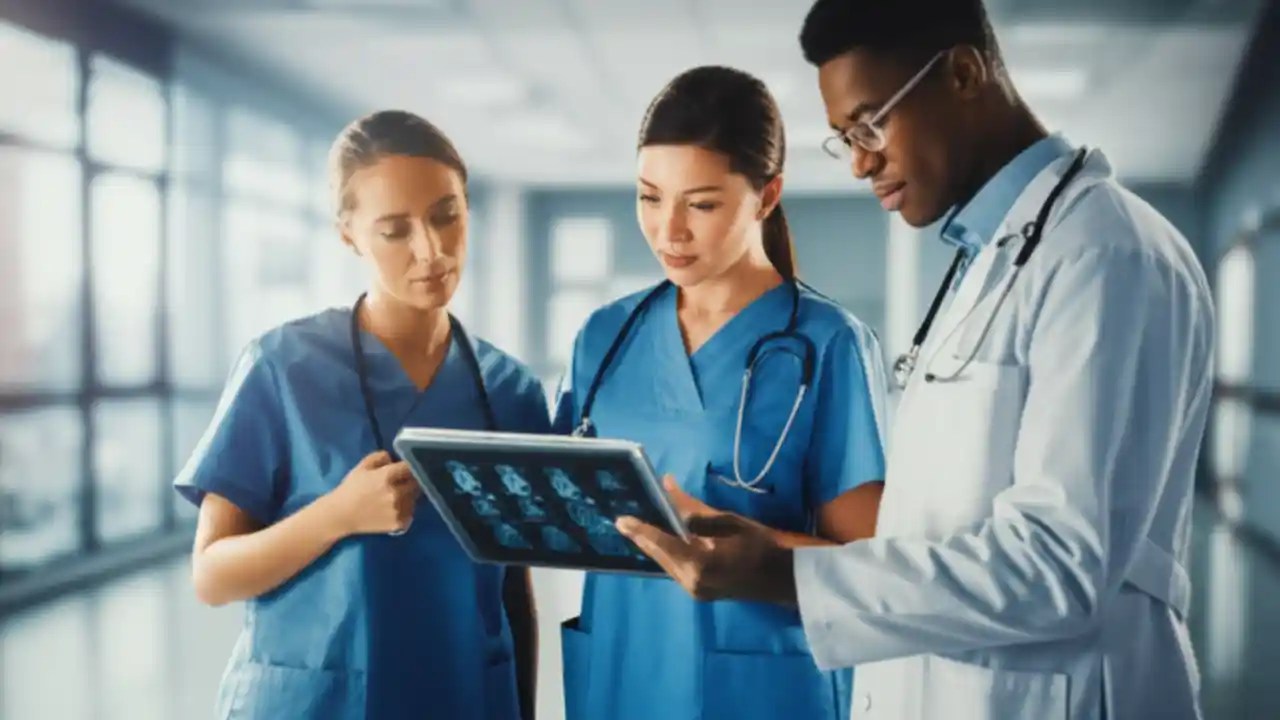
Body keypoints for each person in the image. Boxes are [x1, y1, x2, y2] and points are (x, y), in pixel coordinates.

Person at [616, 2, 1215, 719]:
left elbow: (1059, 566)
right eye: (845, 139)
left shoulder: (1105, 254)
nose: (862, 161)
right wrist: (764, 550)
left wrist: (789, 575)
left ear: (963, 73)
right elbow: (936, 530)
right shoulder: (995, 256)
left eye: (871, 124)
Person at [174, 110, 548, 720]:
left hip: (461, 697)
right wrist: (337, 516)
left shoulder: (510, 391)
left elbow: (513, 587)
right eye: (395, 230)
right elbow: (212, 576)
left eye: (445, 215)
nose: (430, 250)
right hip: (316, 701)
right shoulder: (282, 367)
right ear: (348, 234)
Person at [553, 65, 889, 720]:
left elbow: (871, 569)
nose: (667, 230)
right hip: (621, 672)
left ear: (766, 197)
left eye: (700, 204)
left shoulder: (828, 344)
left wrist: (752, 558)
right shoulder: (604, 335)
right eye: (650, 197)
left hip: (761, 691)